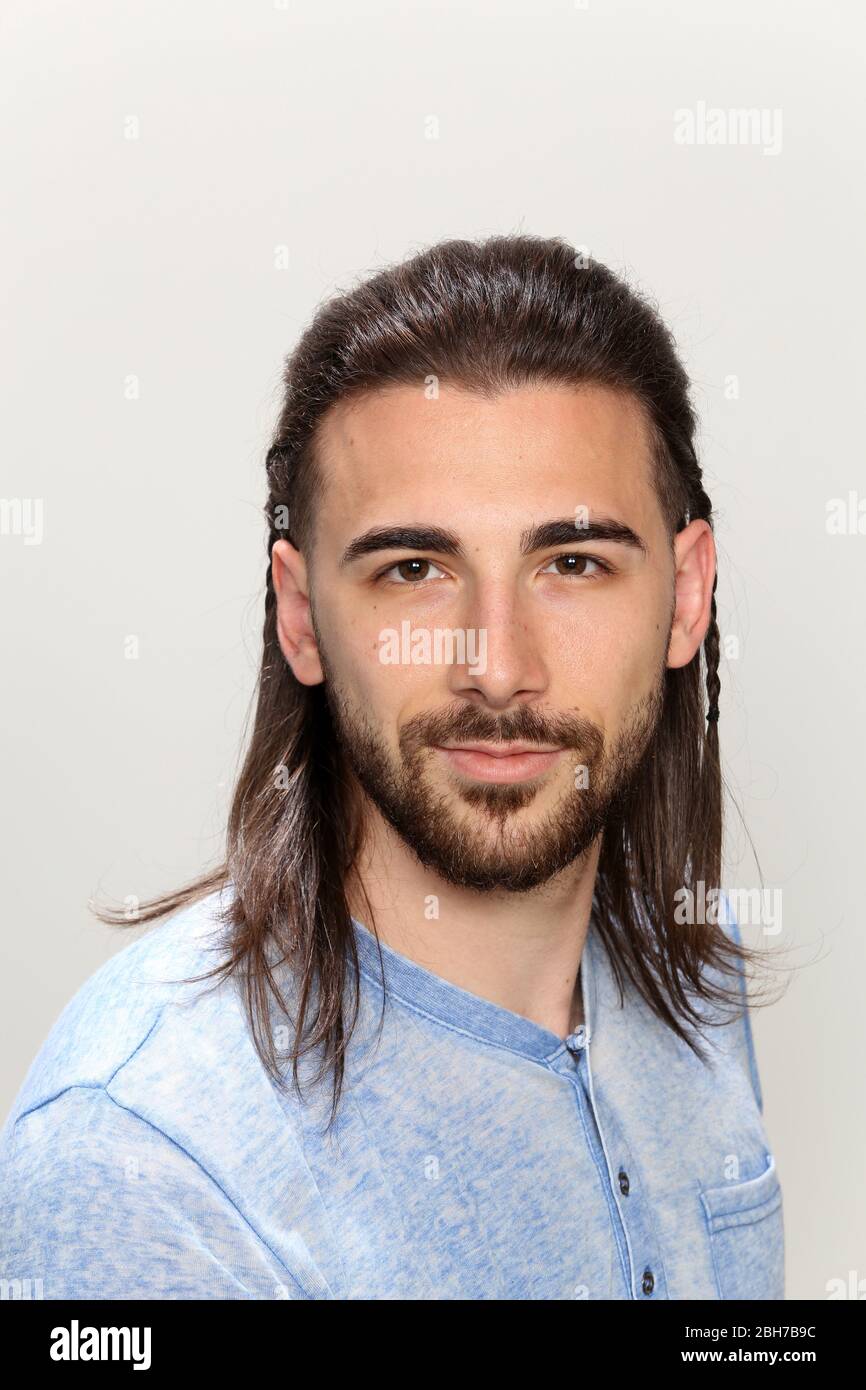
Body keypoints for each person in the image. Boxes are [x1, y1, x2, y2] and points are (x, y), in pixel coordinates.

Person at [0, 235, 784, 1300]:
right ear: (300, 614)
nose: (496, 668)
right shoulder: (141, 1161)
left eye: (571, 563)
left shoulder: (685, 968)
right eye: (413, 569)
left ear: (685, 595)